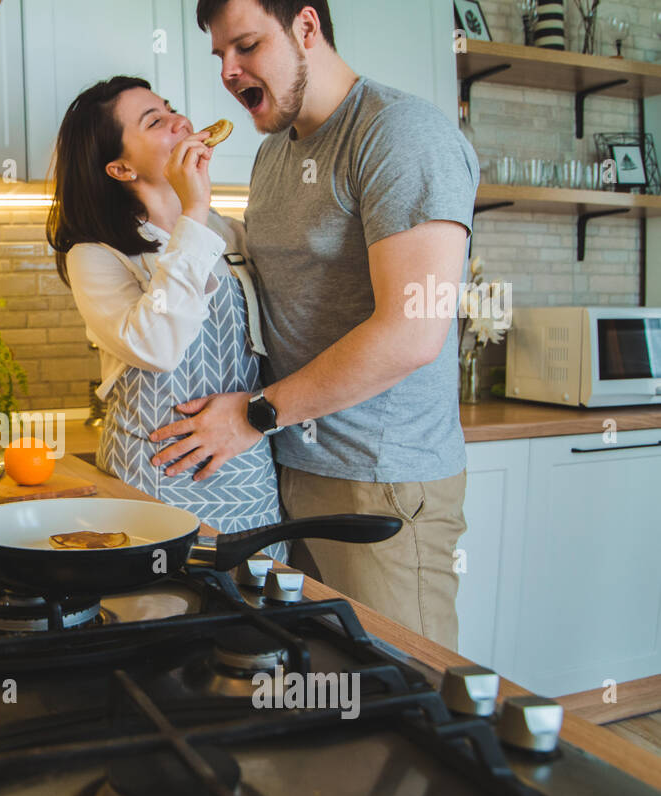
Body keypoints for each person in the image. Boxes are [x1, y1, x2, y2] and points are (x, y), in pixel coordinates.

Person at [151, 0, 479, 649]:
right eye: (219, 54)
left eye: (245, 45)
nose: (228, 70)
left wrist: (252, 414)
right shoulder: (276, 152)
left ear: (307, 26)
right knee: (321, 692)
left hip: (381, 487)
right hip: (292, 476)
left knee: (400, 692)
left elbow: (411, 332)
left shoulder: (400, 135)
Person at [46, 76, 285, 558]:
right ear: (120, 168)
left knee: (256, 622)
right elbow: (157, 347)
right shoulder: (95, 254)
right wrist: (193, 210)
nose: (182, 121)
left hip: (245, 479)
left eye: (172, 108)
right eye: (155, 121)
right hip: (150, 480)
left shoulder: (232, 234)